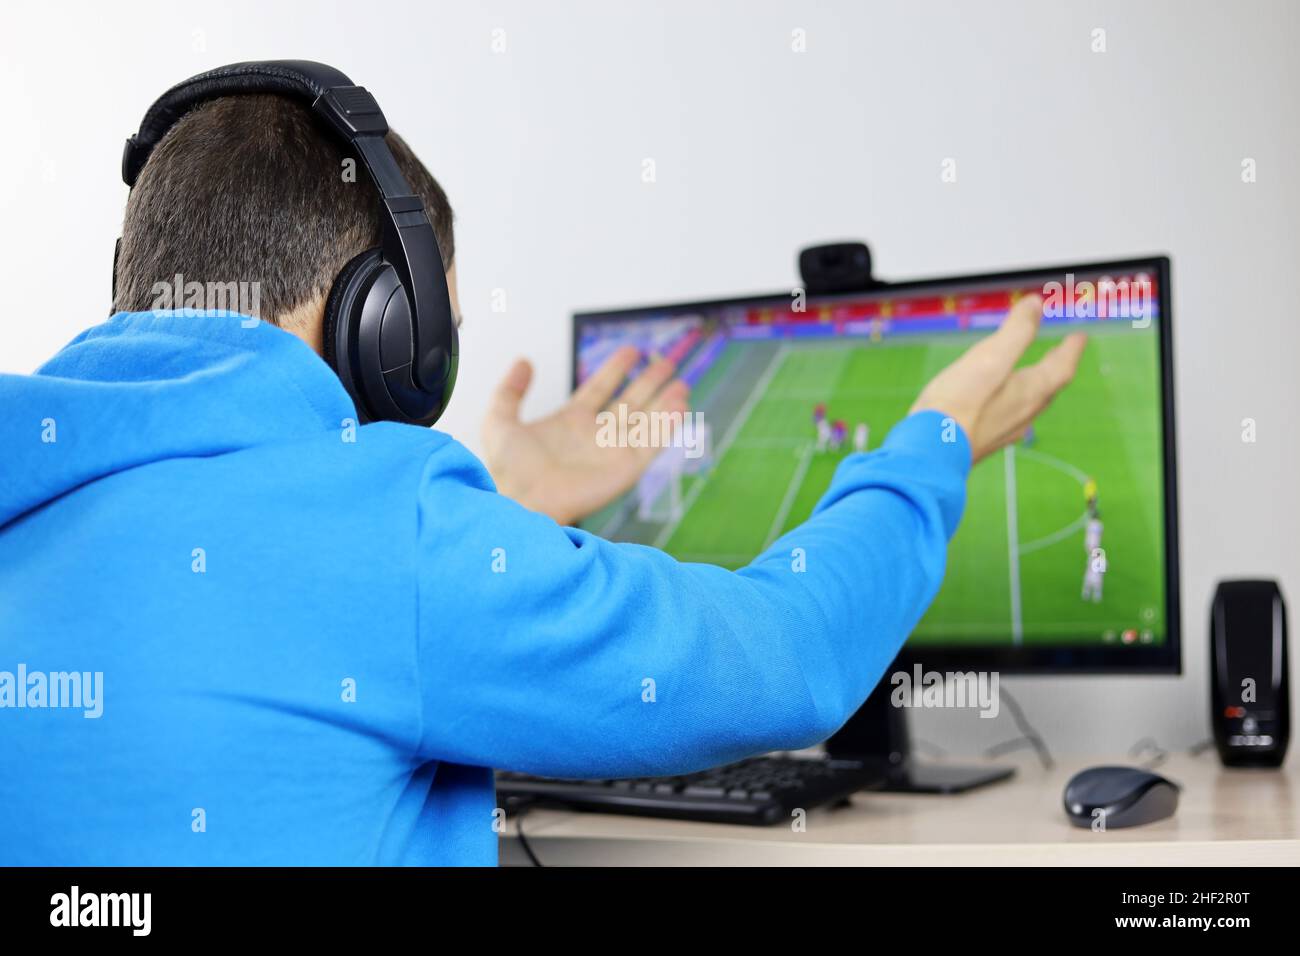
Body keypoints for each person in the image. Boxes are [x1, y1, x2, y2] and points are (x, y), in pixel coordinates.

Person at [0, 92, 1085, 865]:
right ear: (380, 321)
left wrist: (499, 502)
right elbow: (790, 656)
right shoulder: (391, 529)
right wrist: (932, 444)